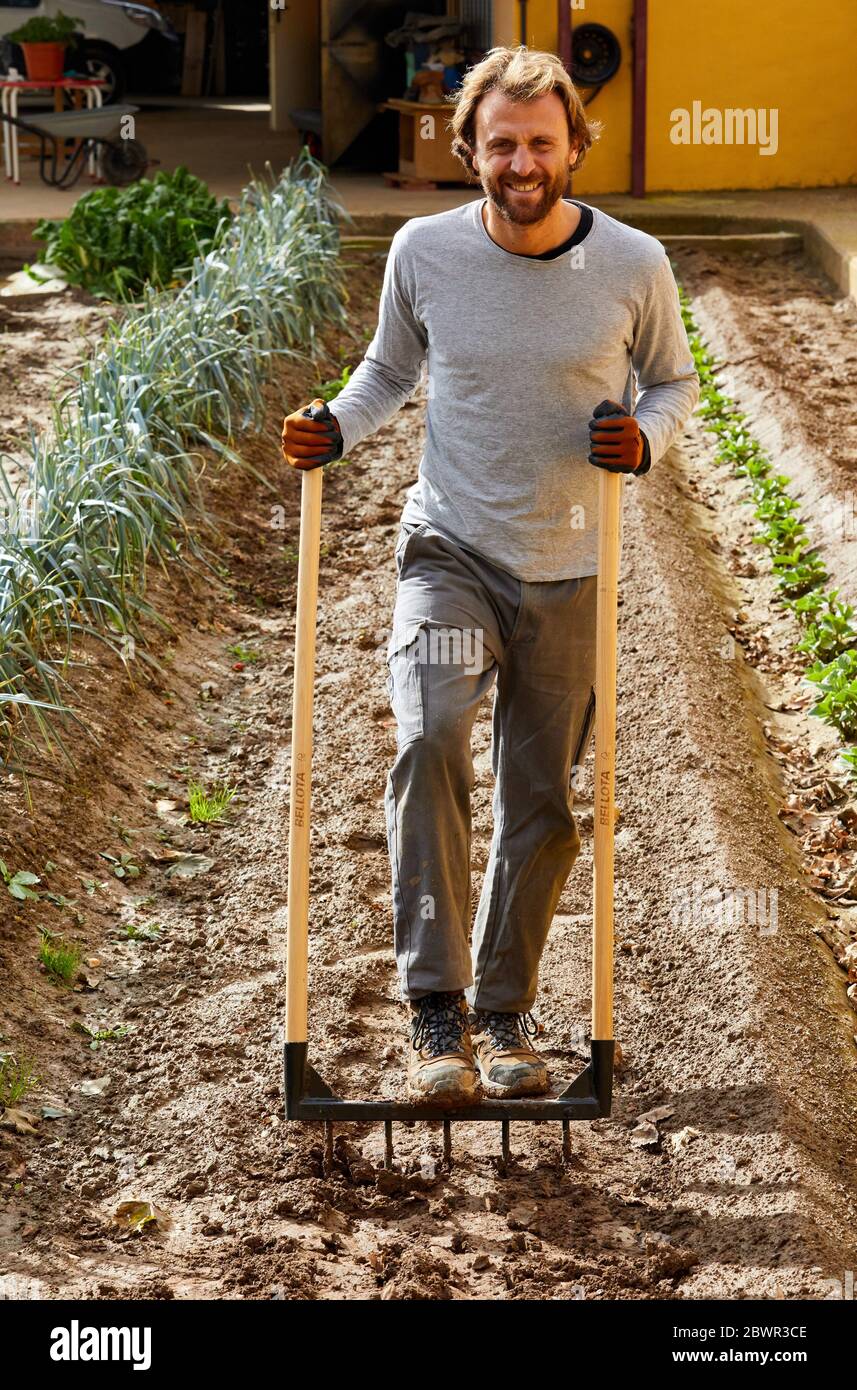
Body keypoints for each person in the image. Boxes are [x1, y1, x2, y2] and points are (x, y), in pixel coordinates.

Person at [281, 46, 699, 1106]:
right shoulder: (423, 251)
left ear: (572, 149)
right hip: (451, 556)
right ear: (467, 148)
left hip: (569, 567)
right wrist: (336, 423)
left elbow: (671, 383)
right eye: (501, 143)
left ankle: (505, 1013)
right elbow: (387, 370)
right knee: (429, 737)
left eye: (540, 143)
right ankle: (437, 1012)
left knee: (539, 803)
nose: (521, 162)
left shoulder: (632, 264)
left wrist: (640, 442)